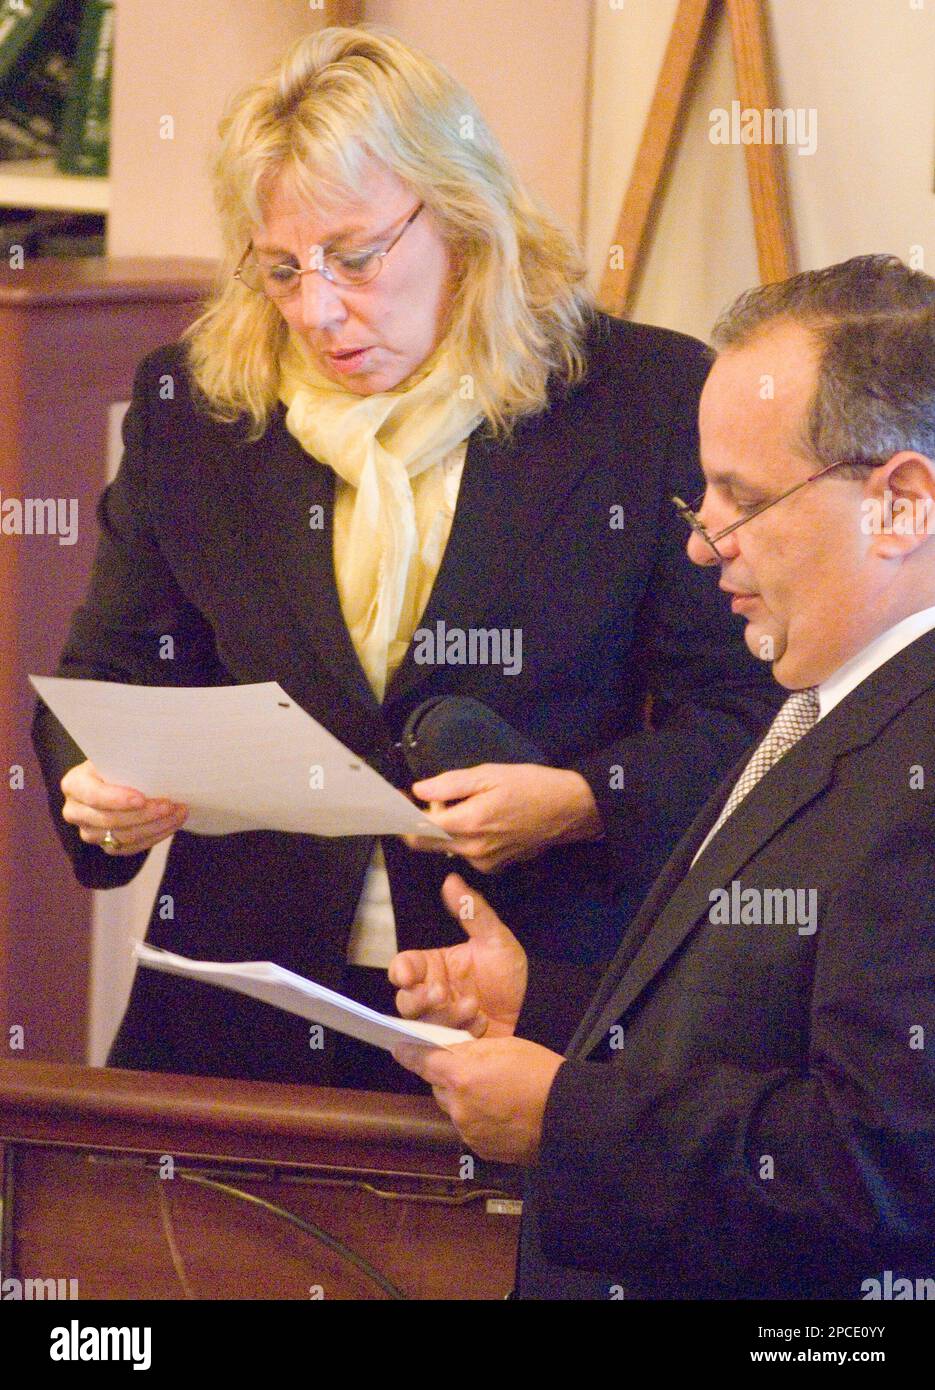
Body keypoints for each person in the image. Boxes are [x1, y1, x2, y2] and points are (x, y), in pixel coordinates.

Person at [31, 26, 776, 1089]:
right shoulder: (198, 409)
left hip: (535, 997)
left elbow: (752, 719)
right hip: (237, 1004)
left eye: (355, 256)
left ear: (463, 217)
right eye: (280, 268)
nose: (317, 309)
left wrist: (580, 797)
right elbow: (103, 676)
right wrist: (95, 784)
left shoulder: (641, 401)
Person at [392, 255, 935, 1297]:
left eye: (740, 498)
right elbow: (754, 1027)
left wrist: (565, 1118)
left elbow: (884, 1160)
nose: (700, 546)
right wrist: (548, 1005)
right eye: (702, 497)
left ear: (899, 502)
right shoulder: (828, 701)